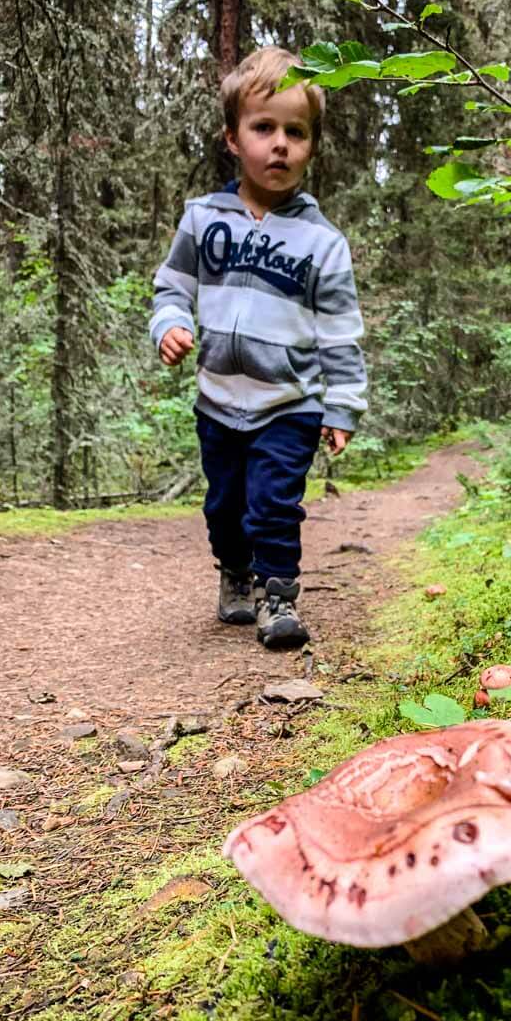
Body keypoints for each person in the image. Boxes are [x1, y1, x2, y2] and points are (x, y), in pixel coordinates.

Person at [150, 47, 367, 649]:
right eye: (263, 127)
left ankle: (279, 596)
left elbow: (340, 330)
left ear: (311, 146)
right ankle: (235, 573)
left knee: (274, 503)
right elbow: (173, 286)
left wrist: (342, 406)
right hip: (217, 397)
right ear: (232, 137)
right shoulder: (202, 219)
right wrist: (168, 324)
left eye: (295, 132)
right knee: (224, 508)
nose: (280, 144)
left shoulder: (322, 242)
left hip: (289, 401)